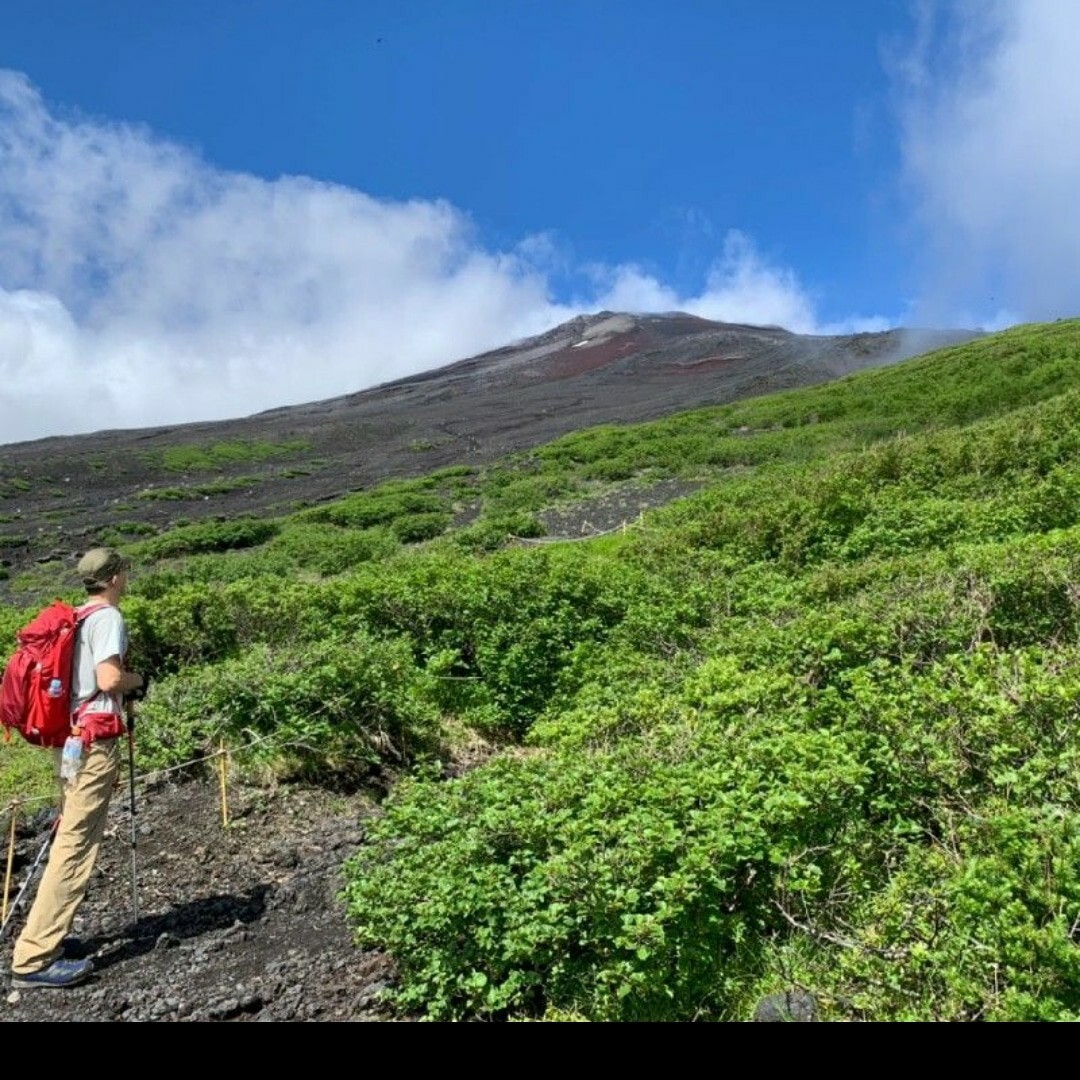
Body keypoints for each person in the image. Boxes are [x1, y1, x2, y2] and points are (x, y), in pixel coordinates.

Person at [10, 547, 144, 989]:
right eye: (124, 571)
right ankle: (34, 957)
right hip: (93, 745)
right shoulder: (107, 619)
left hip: (70, 740)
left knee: (70, 834)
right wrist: (137, 681)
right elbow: (108, 680)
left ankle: (45, 941)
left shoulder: (77, 617)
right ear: (116, 577)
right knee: (75, 844)